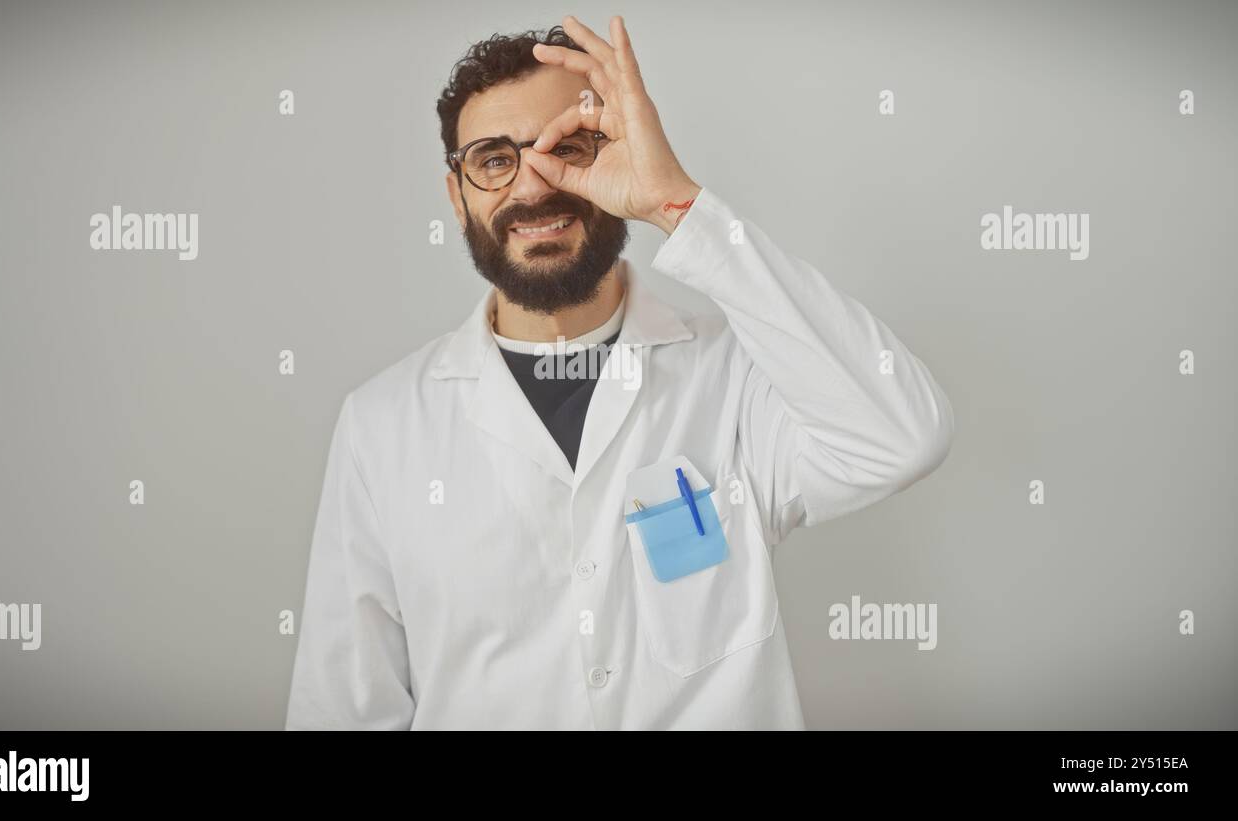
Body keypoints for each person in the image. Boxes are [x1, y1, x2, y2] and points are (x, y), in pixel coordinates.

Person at [285, 15, 955, 730]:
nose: (535, 187)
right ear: (458, 195)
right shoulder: (381, 425)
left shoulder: (733, 376)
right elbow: (344, 707)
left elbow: (904, 437)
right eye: (491, 159)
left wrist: (678, 204)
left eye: (566, 146)